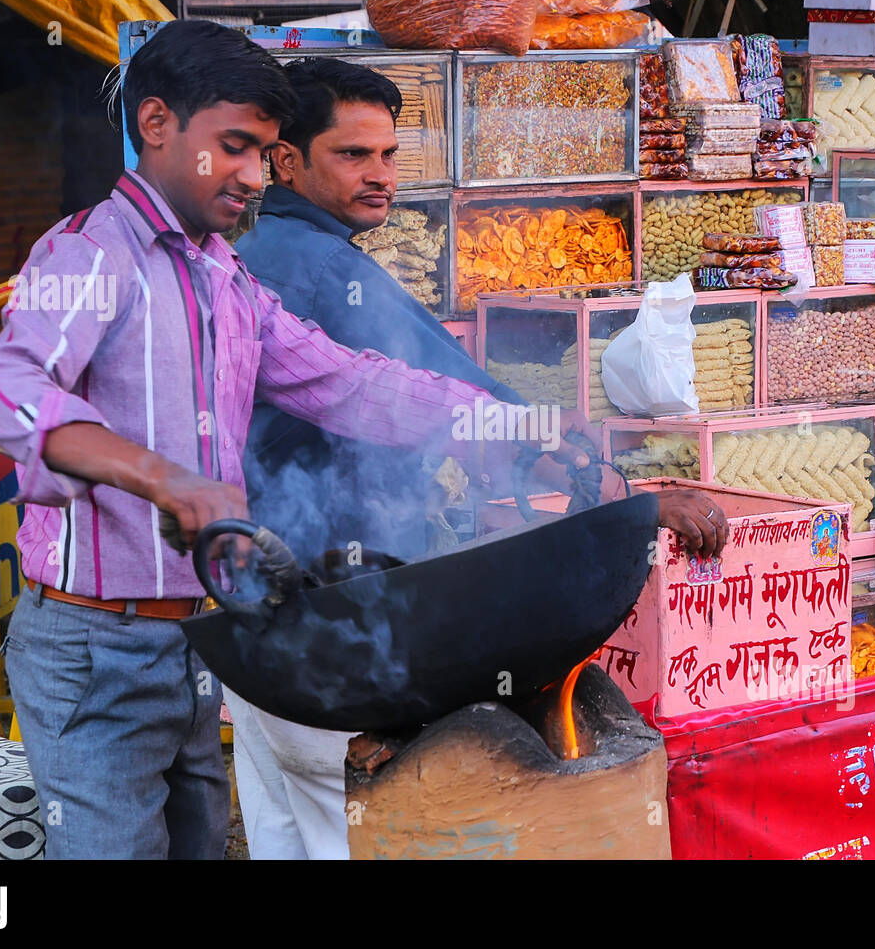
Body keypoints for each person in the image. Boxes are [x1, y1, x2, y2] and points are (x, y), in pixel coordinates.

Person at [0, 20, 598, 860]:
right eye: (234, 147)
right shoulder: (90, 256)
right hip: (93, 647)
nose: (255, 175)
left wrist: (518, 431)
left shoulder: (223, 274)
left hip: (197, 638)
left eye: (263, 151)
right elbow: (3, 395)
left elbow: (351, 381)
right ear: (157, 126)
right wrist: (161, 478)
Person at [231, 58, 729, 859]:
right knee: (349, 829)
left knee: (282, 828)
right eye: (352, 155)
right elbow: (464, 404)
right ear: (285, 161)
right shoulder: (324, 269)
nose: (380, 175)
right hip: (335, 615)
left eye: (390, 155)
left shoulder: (254, 251)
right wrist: (623, 499)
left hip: (253, 605)